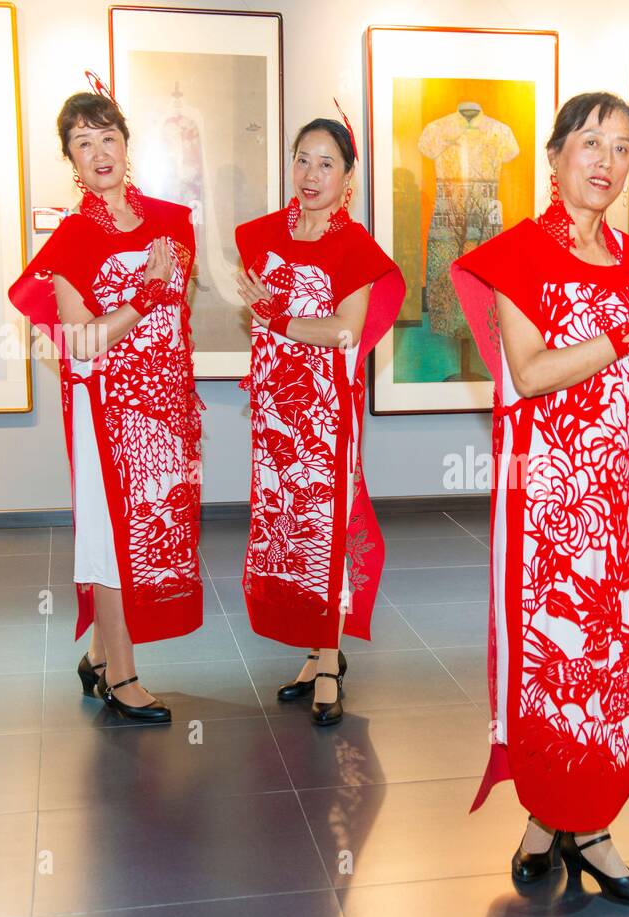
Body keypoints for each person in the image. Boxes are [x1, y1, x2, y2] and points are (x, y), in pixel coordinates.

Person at [450, 91, 629, 907]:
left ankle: (590, 825)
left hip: (618, 504)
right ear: (554, 156)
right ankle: (541, 814)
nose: (606, 159)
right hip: (545, 509)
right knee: (547, 664)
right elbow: (531, 373)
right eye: (589, 142)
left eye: (623, 146)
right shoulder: (518, 254)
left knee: (609, 668)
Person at [9, 74, 204, 724]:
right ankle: (122, 676)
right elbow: (83, 340)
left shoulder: (173, 225)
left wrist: (179, 397)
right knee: (111, 535)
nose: (98, 151)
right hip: (107, 414)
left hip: (162, 411)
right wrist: (141, 296)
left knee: (150, 531)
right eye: (82, 142)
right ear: (70, 162)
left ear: (127, 143)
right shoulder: (72, 240)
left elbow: (181, 320)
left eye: (107, 137)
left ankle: (96, 654)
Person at [235, 106, 405, 726]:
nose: (310, 174)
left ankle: (330, 660)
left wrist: (276, 318)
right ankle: (313, 648)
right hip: (276, 413)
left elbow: (343, 332)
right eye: (302, 160)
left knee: (326, 527)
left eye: (325, 164)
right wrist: (254, 298)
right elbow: (254, 298)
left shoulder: (352, 247)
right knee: (288, 532)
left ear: (347, 178)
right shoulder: (261, 236)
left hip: (325, 416)